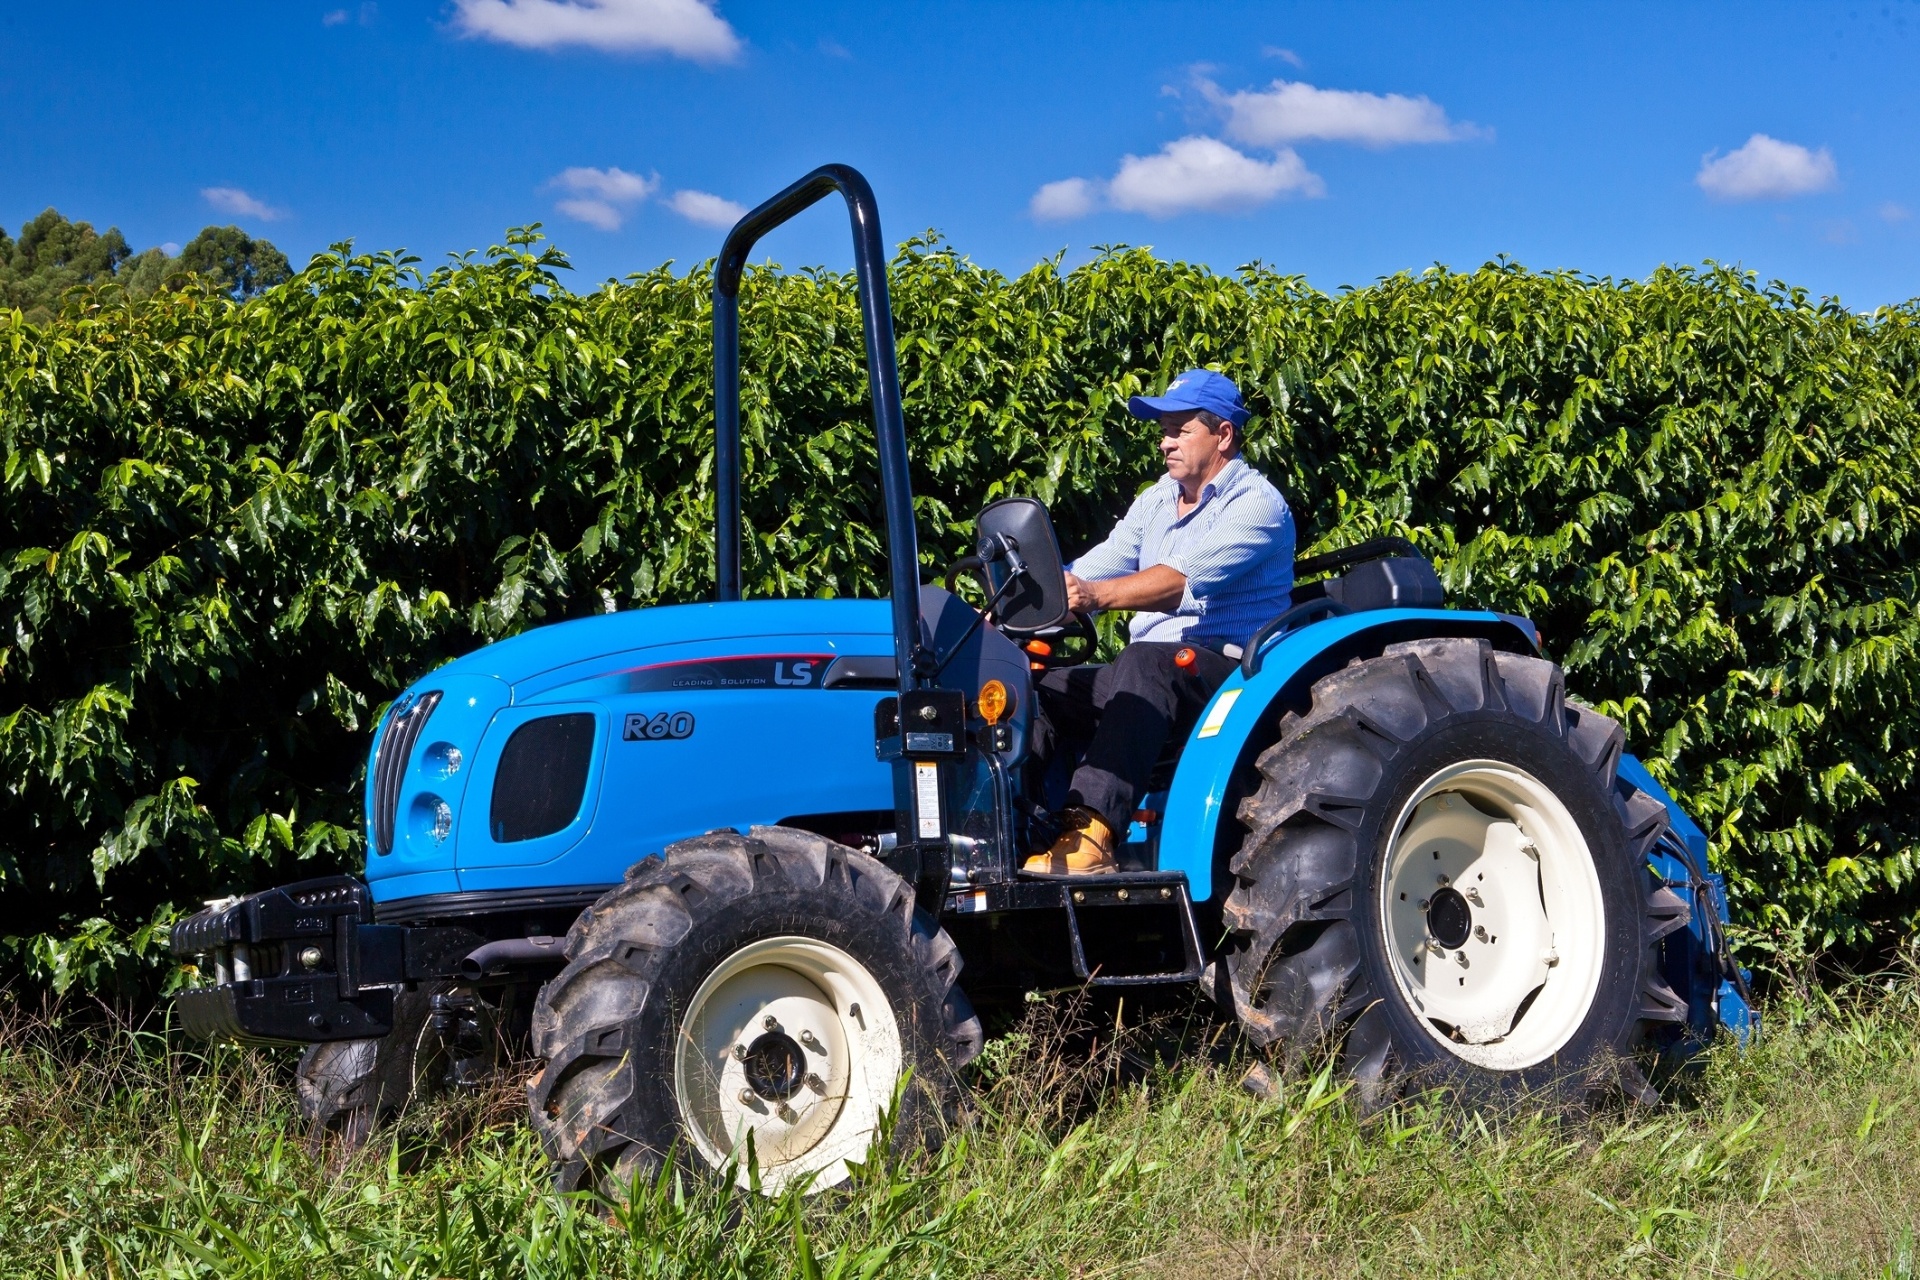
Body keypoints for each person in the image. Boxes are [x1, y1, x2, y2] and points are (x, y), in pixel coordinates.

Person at [1024, 368, 1295, 875]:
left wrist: (1095, 596)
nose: (1165, 442)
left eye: (1179, 429)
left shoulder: (1259, 505)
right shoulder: (1155, 501)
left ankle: (1093, 834)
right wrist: (1010, 609)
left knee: (1145, 660)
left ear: (1223, 435)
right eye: (1163, 431)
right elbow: (1092, 567)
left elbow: (1181, 582)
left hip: (1231, 673)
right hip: (1154, 673)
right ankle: (1027, 826)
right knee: (1042, 688)